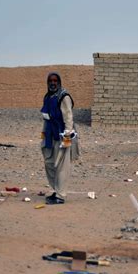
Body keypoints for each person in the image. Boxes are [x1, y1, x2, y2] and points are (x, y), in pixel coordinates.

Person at [41, 72, 79, 204]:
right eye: (50, 80)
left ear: (59, 82)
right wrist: (43, 135)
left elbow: (68, 117)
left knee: (62, 166)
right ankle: (56, 190)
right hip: (50, 135)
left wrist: (67, 138)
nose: (53, 83)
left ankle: (60, 195)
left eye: (55, 81)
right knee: (49, 162)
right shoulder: (48, 97)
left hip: (63, 135)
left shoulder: (64, 97)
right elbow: (46, 117)